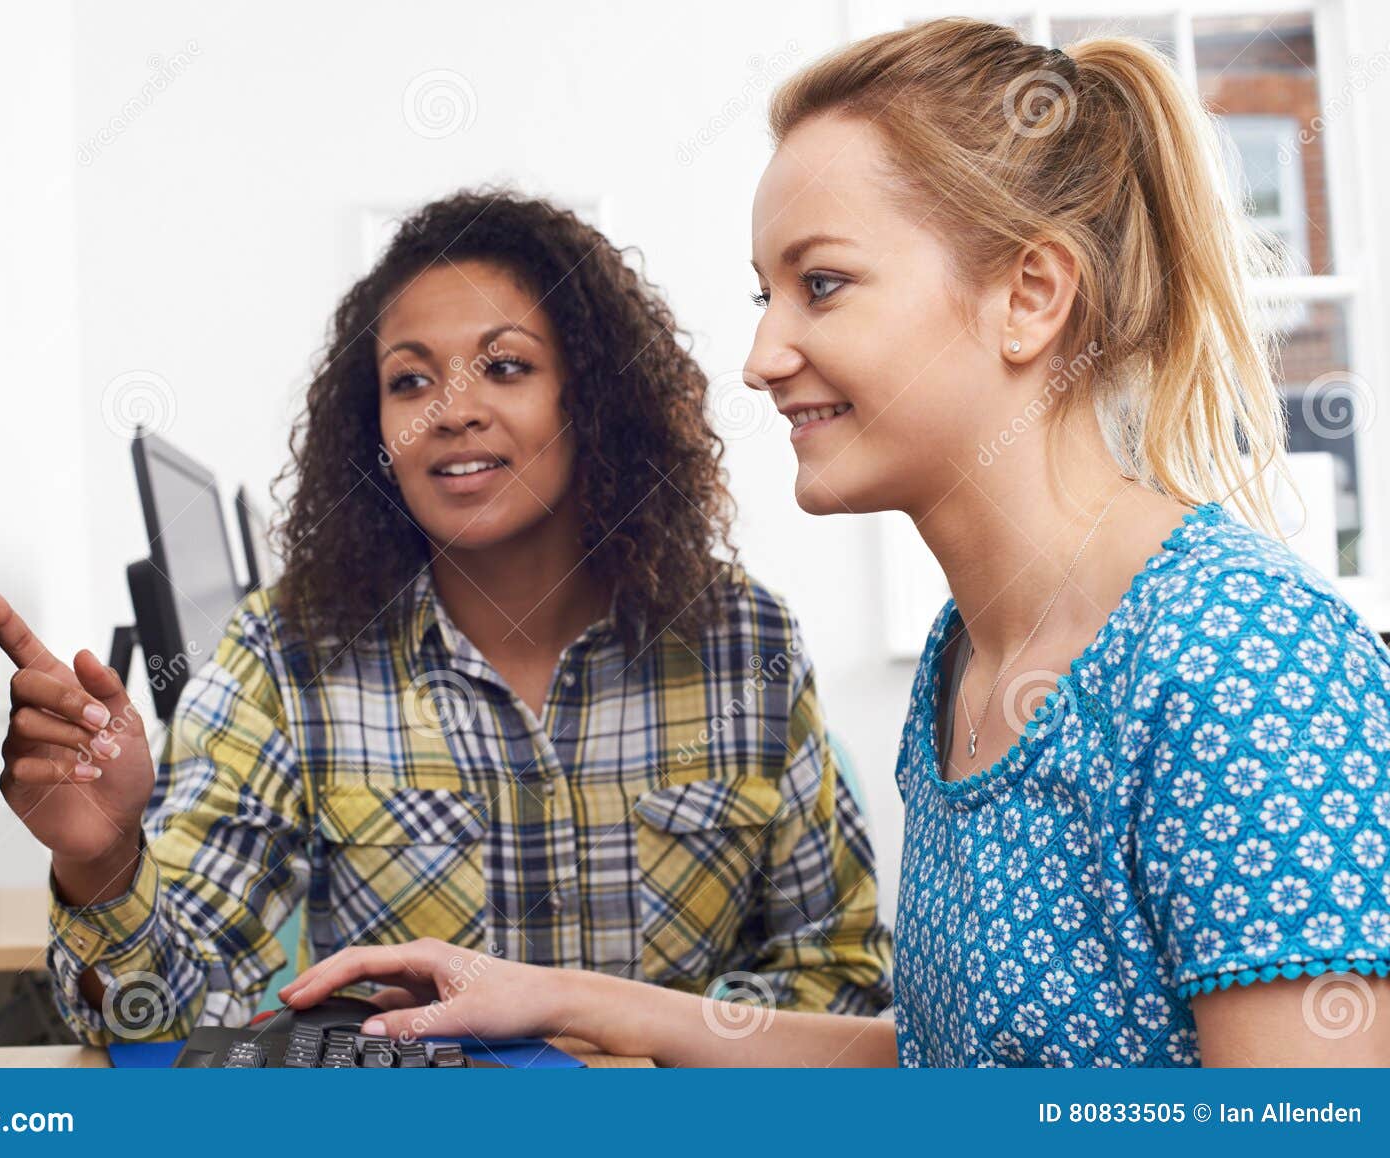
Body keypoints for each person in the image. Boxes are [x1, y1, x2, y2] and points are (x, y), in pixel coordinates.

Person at [279, 21, 1390, 1067]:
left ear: (1031, 295)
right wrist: (558, 996)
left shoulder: (1237, 659)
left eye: (822, 286)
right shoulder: (971, 653)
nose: (762, 354)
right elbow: (934, 1062)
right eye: (766, 295)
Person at [0, 190, 892, 1044]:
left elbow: (843, 975)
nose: (452, 412)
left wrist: (628, 1038)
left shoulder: (741, 643)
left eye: (504, 366)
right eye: (410, 382)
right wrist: (104, 865)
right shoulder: (286, 656)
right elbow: (164, 1023)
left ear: (594, 402)